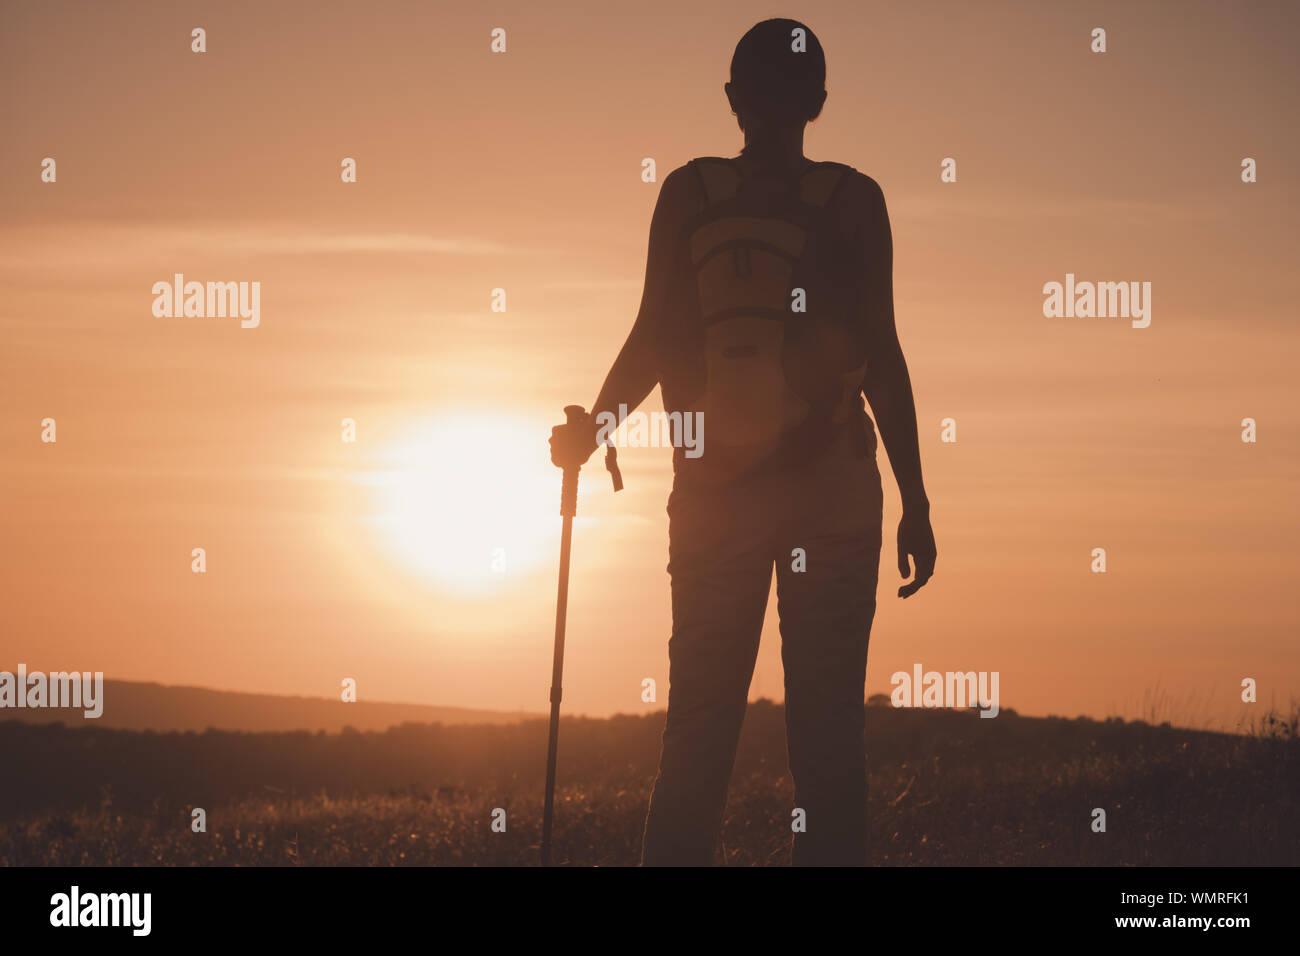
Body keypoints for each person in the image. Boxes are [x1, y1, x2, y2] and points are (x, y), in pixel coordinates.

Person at [549, 18, 936, 866]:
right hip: (833, 483)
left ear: (733, 99)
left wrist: (594, 432)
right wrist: (916, 499)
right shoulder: (855, 200)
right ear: (819, 103)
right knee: (829, 738)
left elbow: (653, 333)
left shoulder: (689, 194)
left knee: (698, 733)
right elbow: (883, 354)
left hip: (715, 491)